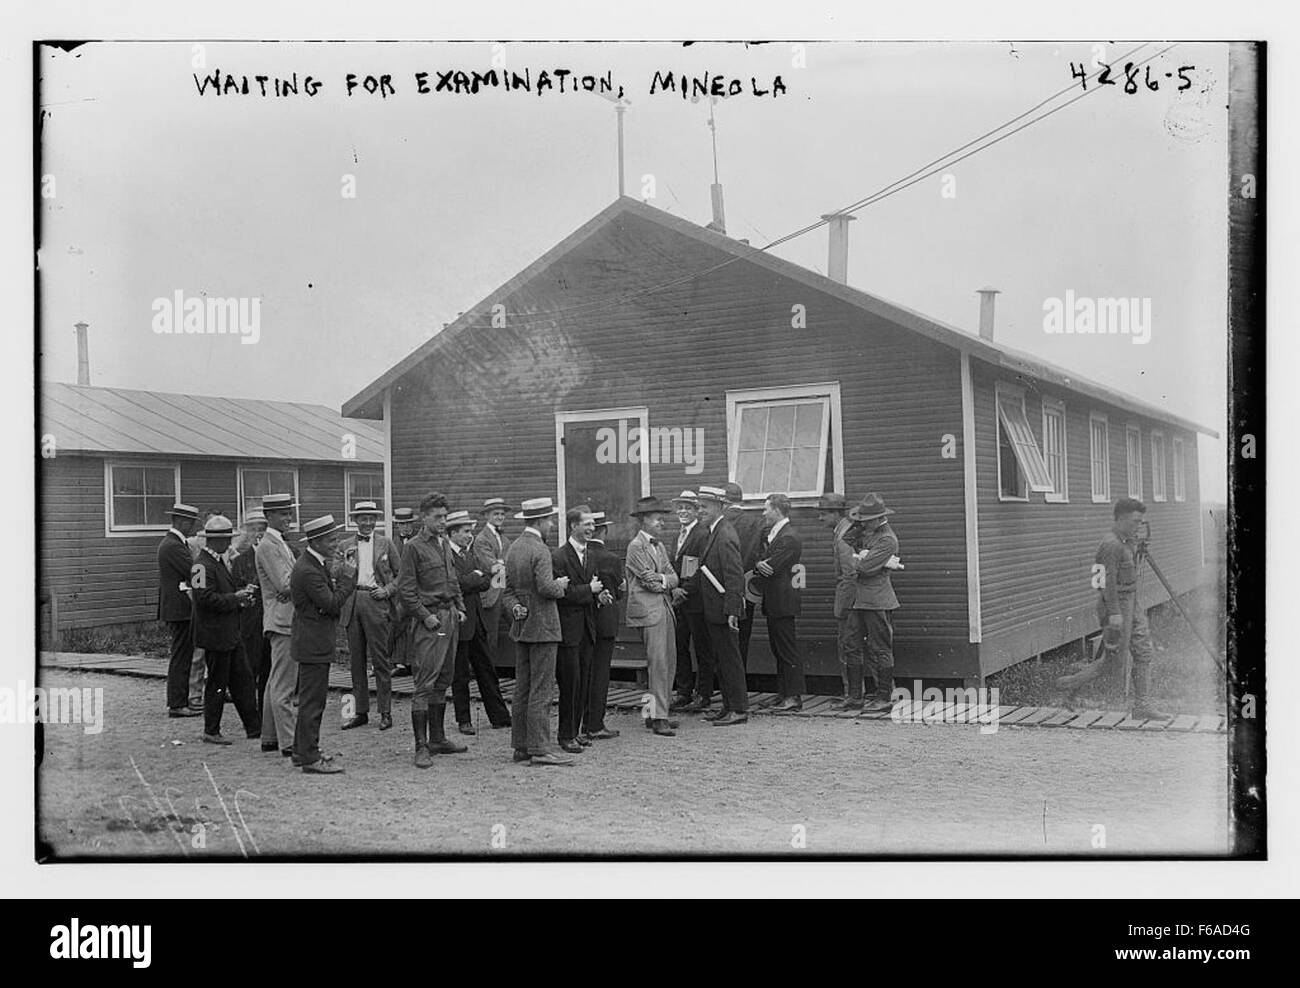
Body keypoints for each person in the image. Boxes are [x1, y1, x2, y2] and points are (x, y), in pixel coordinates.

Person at [398, 492, 469, 768]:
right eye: (437, 517)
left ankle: (438, 739)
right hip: (430, 621)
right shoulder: (413, 548)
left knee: (444, 679)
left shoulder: (444, 545)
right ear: (423, 517)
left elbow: (454, 582)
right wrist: (425, 616)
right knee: (425, 683)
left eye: (445, 517)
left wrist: (460, 607)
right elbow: (405, 590)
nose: (442, 522)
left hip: (450, 617)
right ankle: (420, 746)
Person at [503, 497, 572, 766]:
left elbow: (507, 592)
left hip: (521, 627)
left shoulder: (513, 548)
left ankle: (520, 746)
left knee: (522, 688)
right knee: (542, 689)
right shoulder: (541, 550)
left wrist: (516, 607)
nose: (552, 524)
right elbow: (546, 588)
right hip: (543, 627)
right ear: (541, 521)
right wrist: (561, 584)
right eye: (550, 520)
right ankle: (540, 748)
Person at [290, 515, 357, 775]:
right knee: (312, 702)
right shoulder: (308, 569)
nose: (336, 544)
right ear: (315, 541)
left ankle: (301, 751)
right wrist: (349, 579)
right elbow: (331, 603)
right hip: (313, 644)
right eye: (330, 540)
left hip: (311, 642)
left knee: (310, 700)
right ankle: (309, 758)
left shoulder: (312, 563)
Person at [190, 515, 261, 744]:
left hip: (229, 632)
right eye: (226, 539)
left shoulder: (218, 562)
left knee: (243, 680)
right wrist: (236, 597)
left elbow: (217, 597)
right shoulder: (200, 565)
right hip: (215, 635)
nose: (229, 543)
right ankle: (211, 730)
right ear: (214, 540)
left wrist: (239, 601)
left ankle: (254, 727)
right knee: (218, 683)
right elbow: (203, 599)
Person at [1096, 497, 1169, 720]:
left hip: (1132, 603)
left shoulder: (1126, 542)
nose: (1139, 526)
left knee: (1143, 650)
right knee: (1114, 661)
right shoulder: (1111, 545)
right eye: (1136, 521)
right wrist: (1115, 612)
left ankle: (1142, 705)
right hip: (1117, 606)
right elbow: (1103, 582)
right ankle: (1069, 688)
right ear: (1121, 519)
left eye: (1141, 522)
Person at [446, 510, 512, 733]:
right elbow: (454, 585)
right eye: (465, 532)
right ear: (453, 533)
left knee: (487, 669)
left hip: (478, 620)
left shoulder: (470, 553)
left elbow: (486, 581)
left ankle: (500, 716)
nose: (468, 535)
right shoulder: (446, 555)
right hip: (461, 620)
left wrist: (473, 578)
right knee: (460, 673)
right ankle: (464, 720)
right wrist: (474, 578)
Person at [624, 496, 681, 736]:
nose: (662, 523)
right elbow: (650, 582)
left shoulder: (659, 546)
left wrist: (665, 581)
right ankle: (658, 718)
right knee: (657, 663)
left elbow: (673, 575)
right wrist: (666, 581)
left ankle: (654, 713)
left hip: (663, 609)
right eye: (658, 519)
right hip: (649, 612)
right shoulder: (635, 546)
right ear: (645, 520)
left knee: (667, 661)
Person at [340, 500, 399, 732]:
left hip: (376, 602)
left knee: (381, 660)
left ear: (376, 520)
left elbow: (401, 575)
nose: (367, 523)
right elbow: (335, 572)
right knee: (355, 662)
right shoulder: (345, 545)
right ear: (355, 520)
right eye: (362, 518)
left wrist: (387, 590)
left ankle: (385, 712)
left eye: (371, 518)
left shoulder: (386, 543)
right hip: (353, 601)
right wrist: (347, 565)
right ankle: (359, 712)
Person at [693, 485, 749, 726]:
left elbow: (734, 574)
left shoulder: (725, 534)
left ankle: (738, 709)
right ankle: (728, 707)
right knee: (723, 659)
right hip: (716, 608)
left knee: (730, 660)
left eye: (704, 507)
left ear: (720, 507)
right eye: (698, 507)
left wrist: (732, 611)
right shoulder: (714, 531)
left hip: (724, 610)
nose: (699, 511)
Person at [552, 505, 604, 754]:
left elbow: (591, 587)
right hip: (568, 631)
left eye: (593, 525)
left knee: (583, 682)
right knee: (570, 684)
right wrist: (589, 592)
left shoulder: (591, 554)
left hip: (587, 628)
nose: (591, 529)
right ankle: (565, 735)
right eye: (587, 524)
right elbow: (561, 594)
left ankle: (576, 732)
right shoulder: (559, 557)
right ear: (573, 526)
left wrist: (599, 595)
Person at [842, 494, 903, 707]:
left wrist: (860, 559)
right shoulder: (867, 532)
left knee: (880, 648)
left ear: (880, 519)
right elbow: (846, 540)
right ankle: (855, 697)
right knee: (851, 645)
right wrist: (858, 525)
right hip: (859, 600)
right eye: (862, 519)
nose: (864, 523)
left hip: (877, 600)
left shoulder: (887, 539)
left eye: (868, 519)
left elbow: (863, 568)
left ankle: (884, 697)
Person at [255, 493, 299, 757]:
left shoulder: (278, 543)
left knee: (275, 680)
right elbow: (284, 584)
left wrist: (290, 584)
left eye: (289, 513)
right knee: (284, 685)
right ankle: (288, 741)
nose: (288, 518)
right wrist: (301, 578)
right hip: (282, 620)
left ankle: (270, 737)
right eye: (283, 514)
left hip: (283, 615)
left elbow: (286, 583)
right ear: (269, 516)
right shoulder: (269, 545)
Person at [753, 493, 805, 712]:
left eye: (766, 509)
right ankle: (784, 693)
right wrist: (759, 563)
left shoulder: (788, 537)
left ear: (776, 510)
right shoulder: (776, 534)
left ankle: (793, 697)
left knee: (786, 649)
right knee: (779, 649)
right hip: (776, 601)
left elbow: (771, 568)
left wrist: (760, 565)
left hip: (783, 601)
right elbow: (761, 562)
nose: (763, 513)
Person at [158, 503, 203, 718]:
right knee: (181, 656)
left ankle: (180, 700)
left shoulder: (174, 543)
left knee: (183, 655)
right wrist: (207, 577)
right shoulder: (174, 546)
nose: (193, 527)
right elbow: (195, 571)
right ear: (181, 522)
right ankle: (177, 703)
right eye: (191, 523)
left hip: (179, 607)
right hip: (180, 609)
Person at [817, 492, 862, 709]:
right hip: (856, 600)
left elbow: (849, 575)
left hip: (850, 601)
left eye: (824, 514)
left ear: (836, 514)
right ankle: (854, 693)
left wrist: (843, 607)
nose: (820, 518)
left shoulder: (843, 537)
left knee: (848, 646)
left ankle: (852, 695)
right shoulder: (845, 531)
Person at [582, 511, 623, 741]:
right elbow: (618, 593)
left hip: (585, 622)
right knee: (600, 674)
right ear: (604, 531)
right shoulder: (611, 559)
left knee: (585, 672)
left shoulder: (582, 555)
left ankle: (582, 722)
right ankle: (595, 724)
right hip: (605, 623)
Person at [230, 510, 271, 712]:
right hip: (250, 621)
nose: (258, 533)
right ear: (247, 532)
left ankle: (267, 711)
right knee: (249, 667)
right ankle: (250, 712)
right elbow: (233, 591)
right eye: (254, 529)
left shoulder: (282, 554)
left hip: (273, 619)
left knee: (270, 669)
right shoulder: (239, 561)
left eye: (262, 529)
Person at [723, 481, 765, 670]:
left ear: (724, 501)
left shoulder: (720, 522)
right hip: (747, 589)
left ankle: (725, 686)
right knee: (742, 638)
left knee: (721, 638)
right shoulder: (756, 523)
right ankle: (740, 686)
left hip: (720, 588)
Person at [669, 491, 705, 709]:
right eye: (680, 507)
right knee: (680, 646)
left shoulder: (701, 534)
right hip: (678, 600)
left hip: (696, 600)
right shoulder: (677, 535)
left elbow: (702, 567)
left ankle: (703, 693)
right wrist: (675, 589)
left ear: (696, 511)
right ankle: (684, 692)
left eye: (688, 508)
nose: (683, 511)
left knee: (702, 647)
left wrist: (685, 591)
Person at [472, 497, 513, 674]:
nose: (499, 517)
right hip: (490, 593)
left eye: (502, 514)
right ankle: (486, 674)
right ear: (487, 516)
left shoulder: (503, 538)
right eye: (495, 514)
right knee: (490, 635)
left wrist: (502, 563)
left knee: (516, 626)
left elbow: (508, 562)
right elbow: (492, 566)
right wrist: (502, 564)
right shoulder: (481, 539)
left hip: (505, 591)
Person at [389, 506, 420, 677]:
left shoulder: (418, 541)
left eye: (408, 524)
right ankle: (399, 662)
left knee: (414, 626)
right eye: (402, 524)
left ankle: (413, 663)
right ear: (397, 526)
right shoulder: (392, 543)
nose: (406, 528)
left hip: (416, 590)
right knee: (398, 625)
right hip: (398, 592)